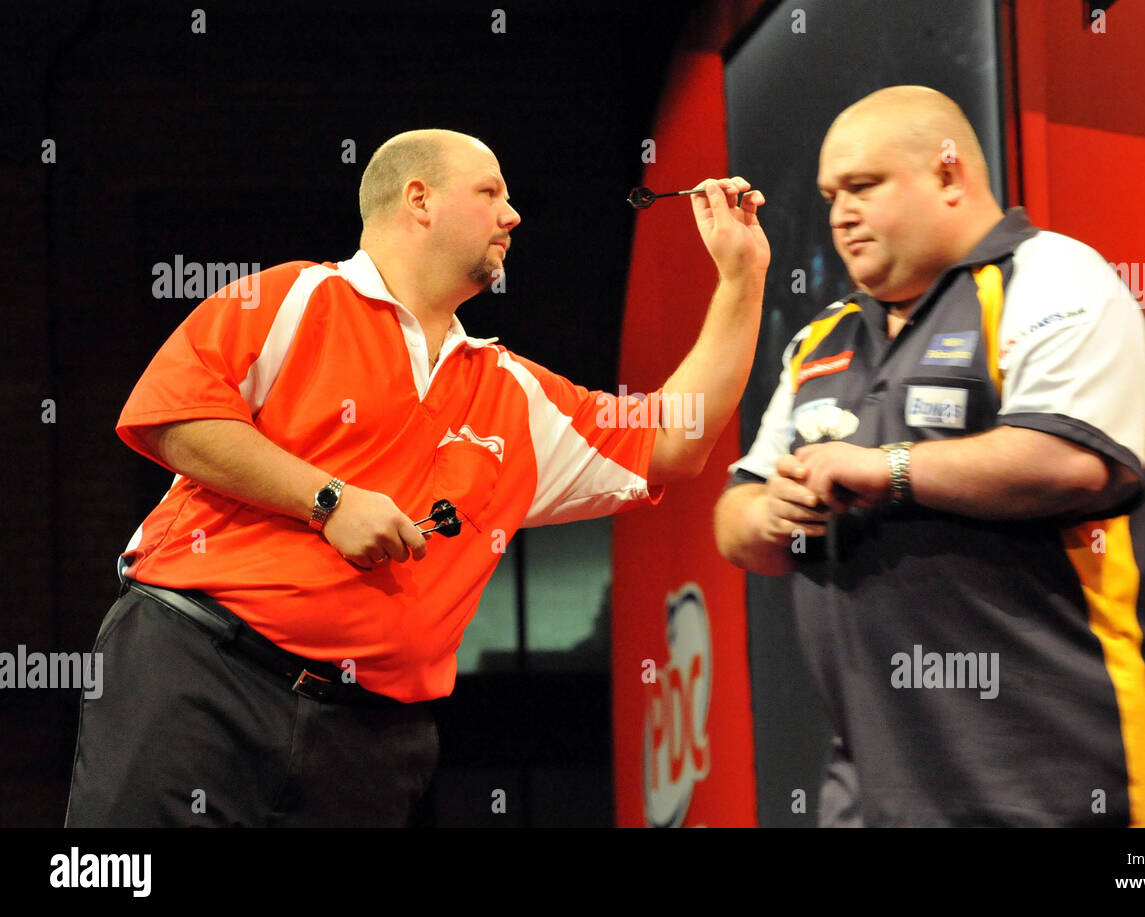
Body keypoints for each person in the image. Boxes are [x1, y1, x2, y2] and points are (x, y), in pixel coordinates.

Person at [65, 129, 770, 827]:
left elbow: (675, 440)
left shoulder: (515, 391)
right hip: (199, 680)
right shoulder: (293, 297)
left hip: (370, 739)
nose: (513, 215)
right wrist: (327, 500)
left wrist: (742, 278)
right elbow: (170, 417)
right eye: (491, 192)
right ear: (419, 199)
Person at [714, 87, 1145, 827]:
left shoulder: (1056, 278)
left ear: (948, 175)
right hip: (874, 791)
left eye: (864, 186)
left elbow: (1072, 463)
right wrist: (769, 513)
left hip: (1055, 780)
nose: (840, 213)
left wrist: (890, 469)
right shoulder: (823, 341)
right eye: (830, 194)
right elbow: (736, 522)